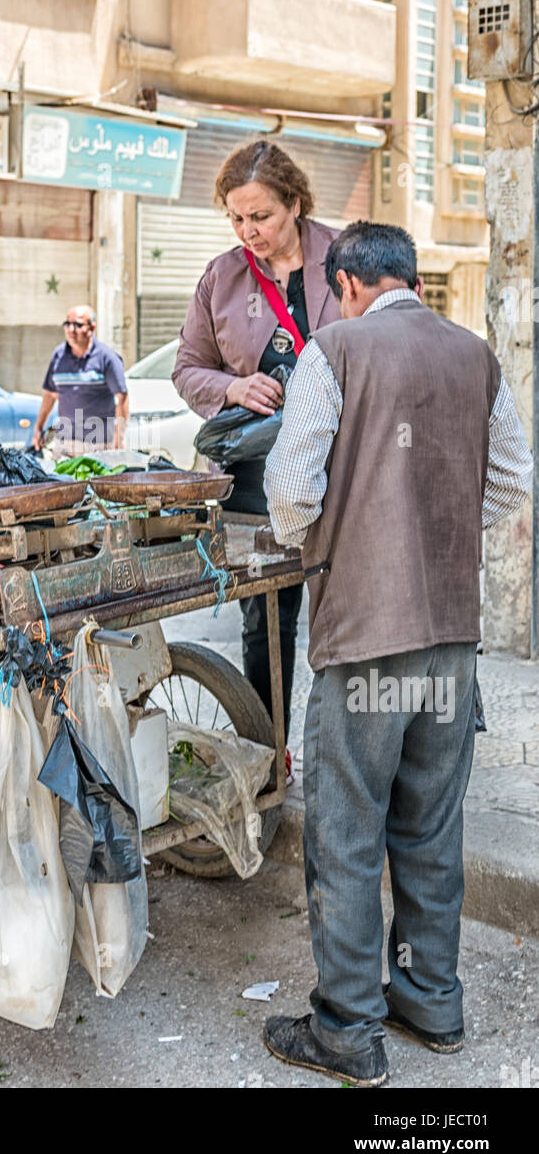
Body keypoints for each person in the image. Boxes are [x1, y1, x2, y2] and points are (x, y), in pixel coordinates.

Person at [262, 221, 532, 1087]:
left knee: (345, 831)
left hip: (365, 640)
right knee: (428, 826)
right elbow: (513, 485)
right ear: (412, 280)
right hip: (452, 643)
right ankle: (430, 999)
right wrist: (433, 530)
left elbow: (292, 491)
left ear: (344, 285)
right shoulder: (475, 355)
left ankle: (346, 1028)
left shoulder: (333, 351)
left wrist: (338, 536)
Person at [172, 140, 341, 737]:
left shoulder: (345, 259)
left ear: (294, 203)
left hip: (340, 472)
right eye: (237, 218)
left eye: (262, 216)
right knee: (267, 616)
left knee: (342, 613)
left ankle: (341, 755)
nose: (249, 230)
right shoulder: (222, 277)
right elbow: (187, 366)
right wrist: (234, 389)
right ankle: (270, 748)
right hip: (254, 479)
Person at [33, 304, 129, 453]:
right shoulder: (58, 356)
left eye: (77, 325)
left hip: (99, 444)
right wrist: (38, 428)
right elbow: (50, 394)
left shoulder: (107, 357)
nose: (71, 330)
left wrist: (118, 438)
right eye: (68, 324)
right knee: (59, 477)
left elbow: (121, 397)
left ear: (92, 328)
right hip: (65, 442)